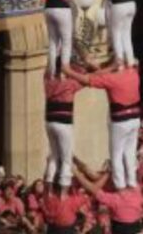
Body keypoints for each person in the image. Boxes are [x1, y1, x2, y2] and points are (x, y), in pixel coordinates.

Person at [64, 64, 142, 191]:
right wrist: (75, 159)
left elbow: (87, 80)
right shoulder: (133, 74)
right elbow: (91, 173)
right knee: (129, 152)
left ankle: (121, 188)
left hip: (120, 121)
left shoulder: (111, 80)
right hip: (134, 119)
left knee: (116, 154)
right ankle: (130, 184)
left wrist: (68, 71)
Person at [74, 161, 143, 234]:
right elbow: (92, 176)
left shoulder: (115, 199)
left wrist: (74, 171)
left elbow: (94, 188)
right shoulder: (136, 191)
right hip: (133, 228)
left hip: (121, 227)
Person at [44, 65, 83, 193]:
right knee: (66, 158)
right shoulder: (70, 84)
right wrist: (74, 68)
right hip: (64, 124)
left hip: (50, 122)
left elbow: (47, 70)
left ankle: (49, 190)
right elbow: (84, 79)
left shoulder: (48, 82)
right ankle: (63, 194)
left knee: (54, 156)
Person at [44, 0, 80, 75]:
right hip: (62, 6)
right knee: (66, 41)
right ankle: (65, 72)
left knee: (53, 42)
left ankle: (52, 73)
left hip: (48, 7)